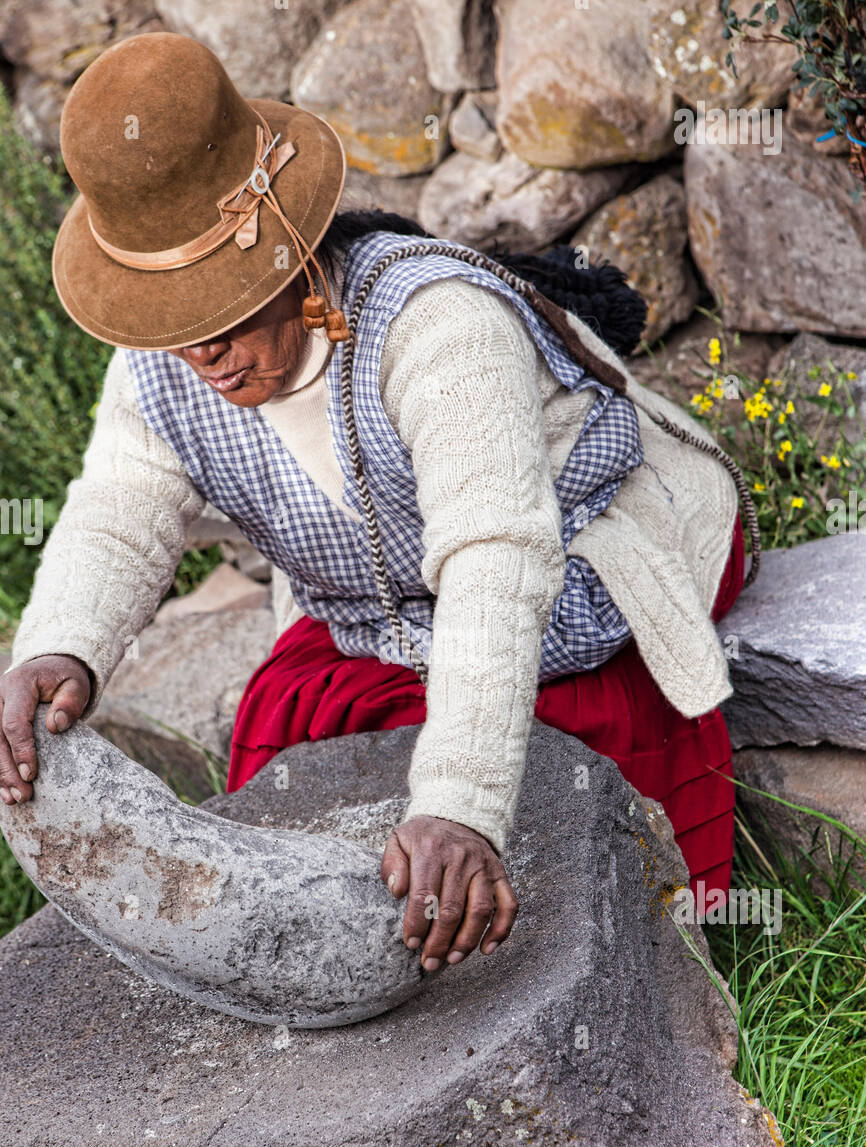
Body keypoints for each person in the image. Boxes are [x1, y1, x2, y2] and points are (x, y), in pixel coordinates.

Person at [0, 32, 746, 976]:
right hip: (386, 593)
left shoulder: (435, 326)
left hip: (579, 556)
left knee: (575, 750)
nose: (204, 357)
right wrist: (58, 645)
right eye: (176, 325)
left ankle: (623, 988)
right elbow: (118, 506)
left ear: (294, 259)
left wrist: (459, 802)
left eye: (224, 314)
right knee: (294, 719)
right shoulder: (163, 360)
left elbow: (496, 558)